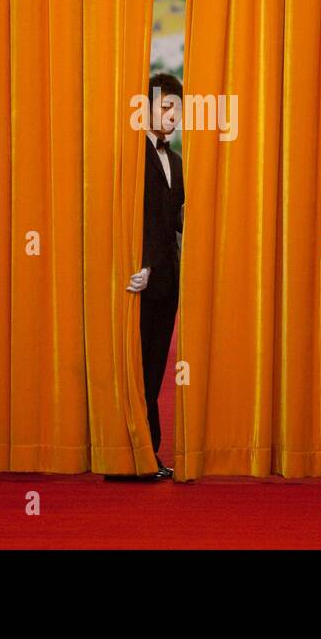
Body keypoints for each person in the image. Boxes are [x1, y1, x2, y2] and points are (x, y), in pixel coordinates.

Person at [123, 72, 184, 482]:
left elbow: (173, 220)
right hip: (136, 282)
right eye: (164, 107)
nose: (172, 116)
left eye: (178, 110)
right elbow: (132, 217)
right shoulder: (130, 156)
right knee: (133, 366)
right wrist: (138, 264)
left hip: (167, 283)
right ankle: (133, 454)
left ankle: (150, 453)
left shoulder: (175, 161)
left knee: (154, 368)